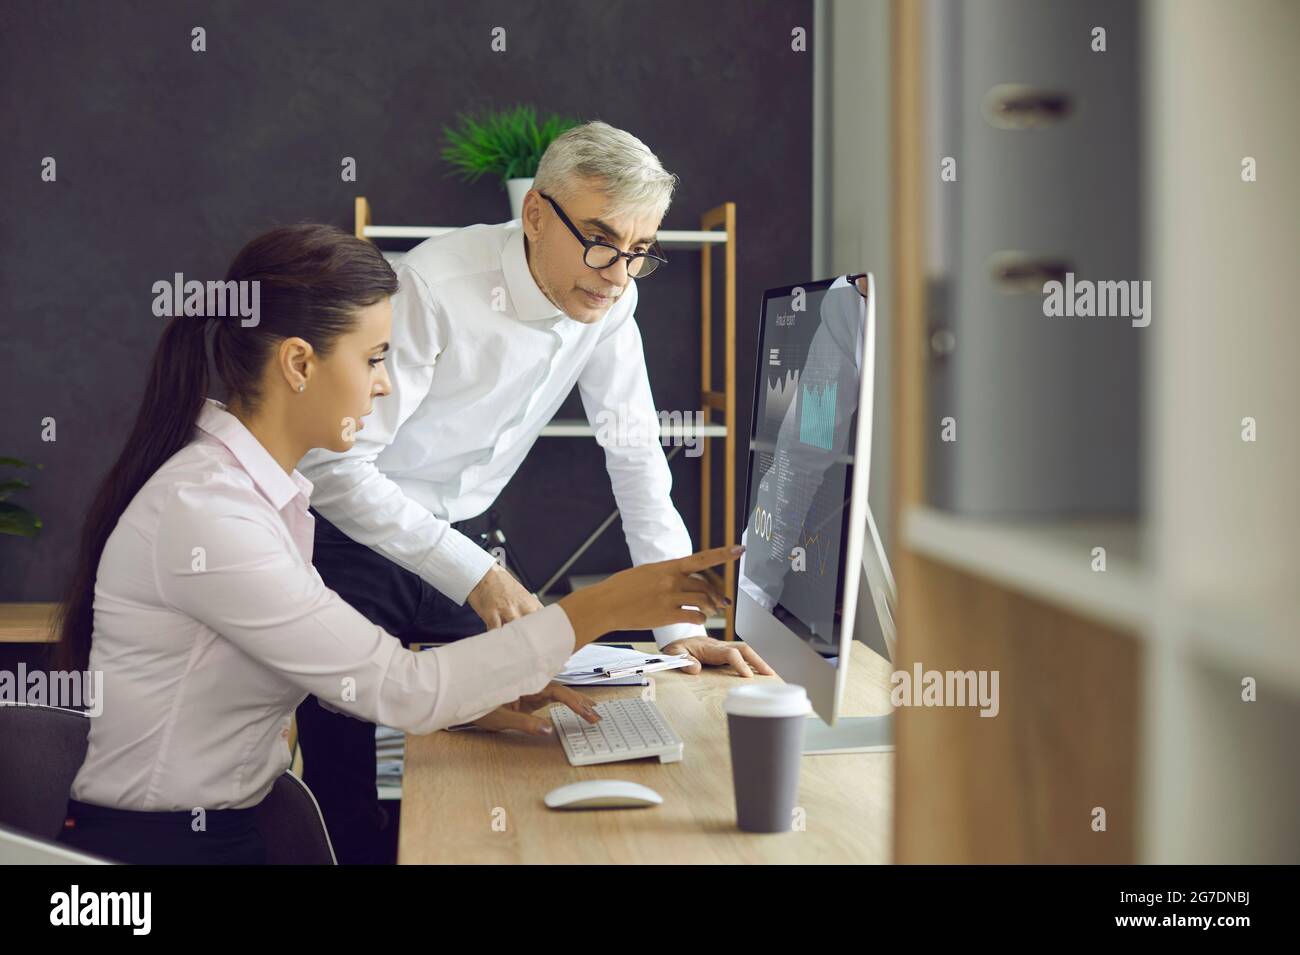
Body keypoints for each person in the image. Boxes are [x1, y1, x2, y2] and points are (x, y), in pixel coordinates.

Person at [51, 223, 735, 865]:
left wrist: (478, 699)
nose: (385, 385)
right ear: (298, 364)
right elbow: (401, 688)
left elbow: (335, 671)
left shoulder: (261, 492)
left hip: (233, 825)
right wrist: (606, 604)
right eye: (375, 357)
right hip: (156, 851)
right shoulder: (210, 514)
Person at [295, 121, 772, 862]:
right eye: (603, 242)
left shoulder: (612, 299)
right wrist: (477, 574)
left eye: (640, 253)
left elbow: (636, 452)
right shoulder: (432, 286)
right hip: (357, 538)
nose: (617, 273)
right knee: (350, 786)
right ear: (537, 215)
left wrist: (680, 627)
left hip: (467, 530)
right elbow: (339, 468)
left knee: (509, 738)